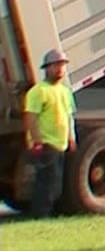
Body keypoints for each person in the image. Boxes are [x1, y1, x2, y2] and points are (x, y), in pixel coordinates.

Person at [23, 49, 77, 218]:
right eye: (56, 66)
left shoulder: (65, 91)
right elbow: (31, 117)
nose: (60, 69)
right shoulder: (38, 91)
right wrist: (37, 141)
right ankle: (41, 215)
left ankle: (47, 213)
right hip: (46, 143)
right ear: (47, 68)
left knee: (55, 183)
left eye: (62, 66)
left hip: (61, 143)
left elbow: (68, 116)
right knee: (46, 183)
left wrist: (71, 138)